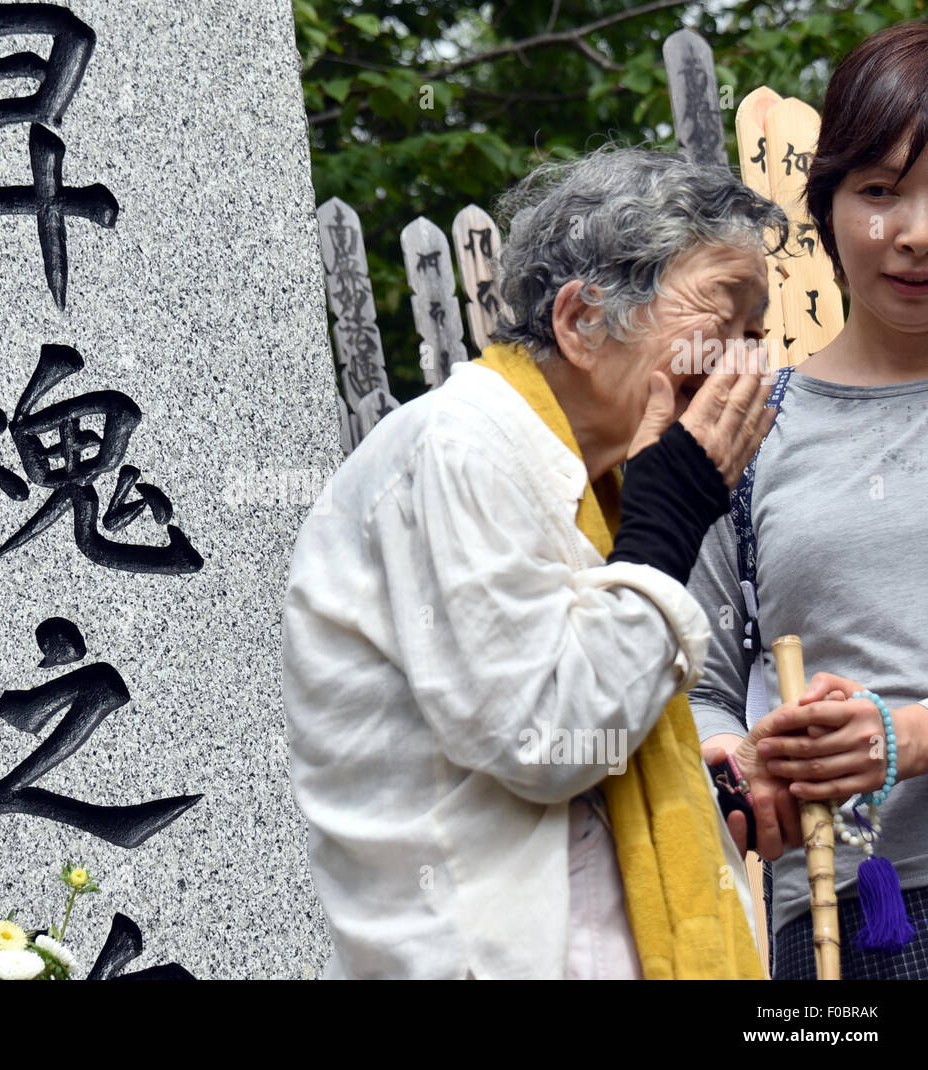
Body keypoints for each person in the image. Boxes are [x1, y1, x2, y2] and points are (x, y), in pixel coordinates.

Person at [282, 144, 786, 979]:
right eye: (719, 327)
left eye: (755, 337)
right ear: (582, 321)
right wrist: (666, 531)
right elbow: (548, 739)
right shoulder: (459, 450)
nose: (740, 368)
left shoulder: (605, 479)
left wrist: (700, 771)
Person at [688, 21, 928, 980]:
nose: (915, 231)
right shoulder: (750, 423)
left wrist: (902, 735)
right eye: (879, 191)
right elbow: (698, 682)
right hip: (840, 923)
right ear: (825, 207)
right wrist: (740, 768)